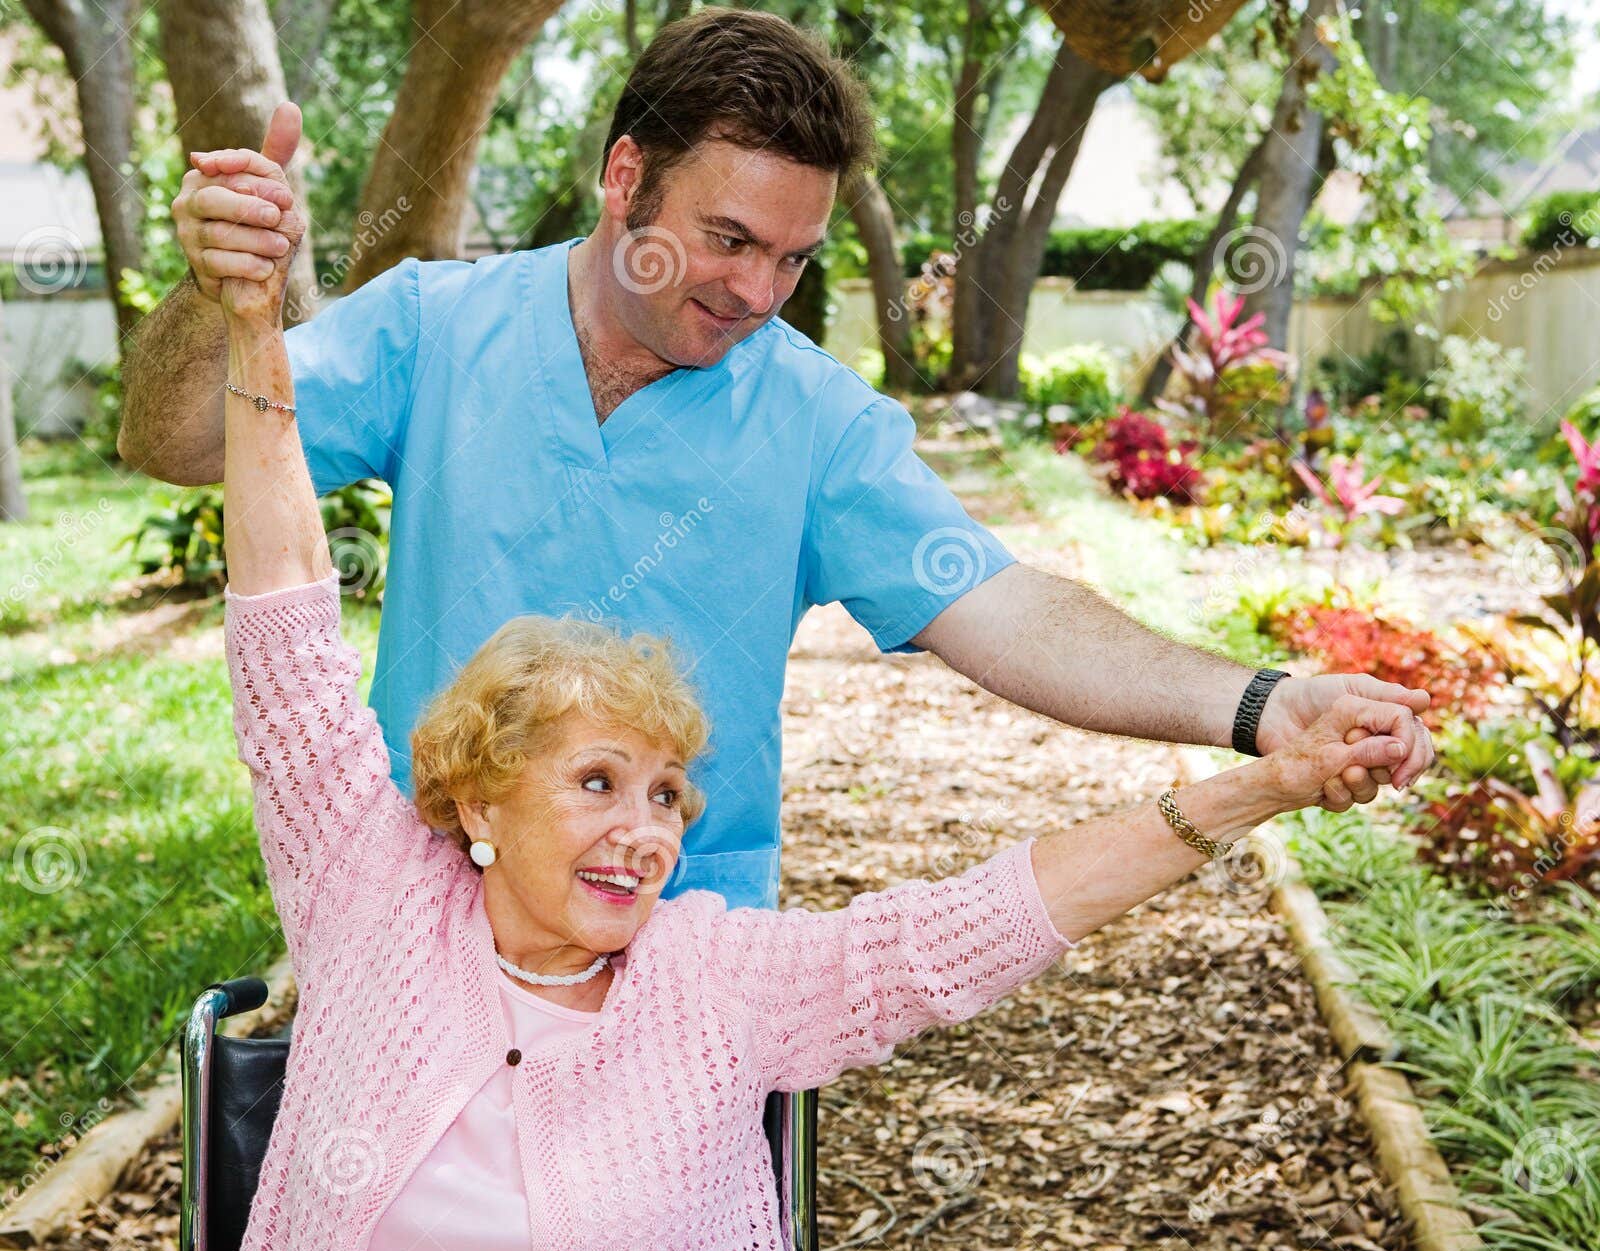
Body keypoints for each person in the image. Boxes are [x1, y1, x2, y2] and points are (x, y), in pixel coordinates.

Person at [198, 154, 1417, 1251]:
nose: (647, 831)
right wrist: (251, 324)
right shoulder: (371, 905)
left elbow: (982, 917)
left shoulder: (710, 979)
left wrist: (1262, 749)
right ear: (475, 799)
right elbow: (284, 612)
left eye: (670, 793)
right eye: (596, 782)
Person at [117, 9, 1434, 920]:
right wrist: (216, 292)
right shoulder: (432, 327)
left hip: (680, 947)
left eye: (795, 257)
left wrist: (1262, 704)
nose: (760, 290)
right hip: (423, 924)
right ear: (624, 177)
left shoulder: (814, 419)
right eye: (729, 239)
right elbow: (174, 443)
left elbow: (1008, 608)